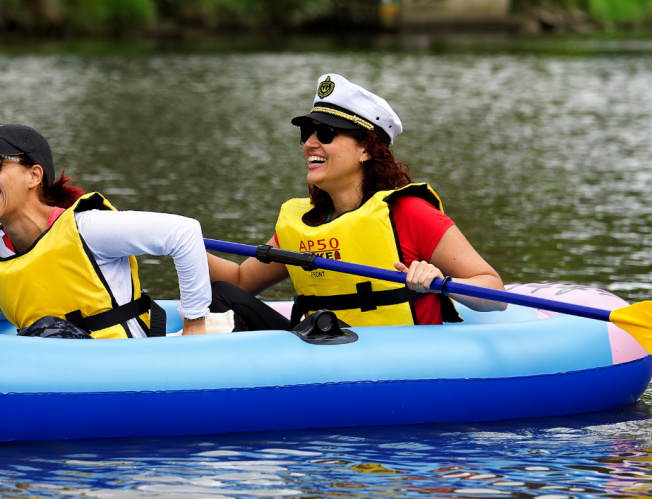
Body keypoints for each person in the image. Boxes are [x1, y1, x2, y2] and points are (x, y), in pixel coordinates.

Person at [208, 73, 506, 331]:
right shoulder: (307, 223)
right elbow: (240, 281)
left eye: (326, 133)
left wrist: (442, 281)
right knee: (221, 294)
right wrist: (185, 242)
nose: (310, 143)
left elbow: (495, 292)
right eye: (307, 132)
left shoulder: (409, 213)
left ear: (366, 149)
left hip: (395, 357)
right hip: (320, 347)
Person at [0, 124, 210, 338]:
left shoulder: (89, 229)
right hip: (43, 359)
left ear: (34, 175)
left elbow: (184, 233)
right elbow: (11, 296)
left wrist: (194, 326)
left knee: (48, 327)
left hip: (118, 361)